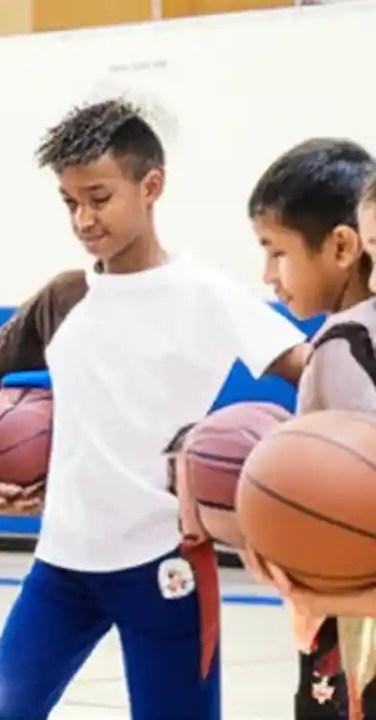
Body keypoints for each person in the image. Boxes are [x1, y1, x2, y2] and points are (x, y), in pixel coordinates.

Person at [0, 99, 309, 720]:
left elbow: (311, 369)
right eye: (69, 202)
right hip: (61, 566)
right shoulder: (63, 298)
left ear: (151, 186)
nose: (83, 218)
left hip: (166, 566)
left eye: (98, 196)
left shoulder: (207, 294)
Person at [236, 138, 376, 718]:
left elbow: (351, 513)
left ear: (343, 245)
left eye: (276, 251)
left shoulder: (342, 347)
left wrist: (266, 540)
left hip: (357, 631)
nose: (268, 274)